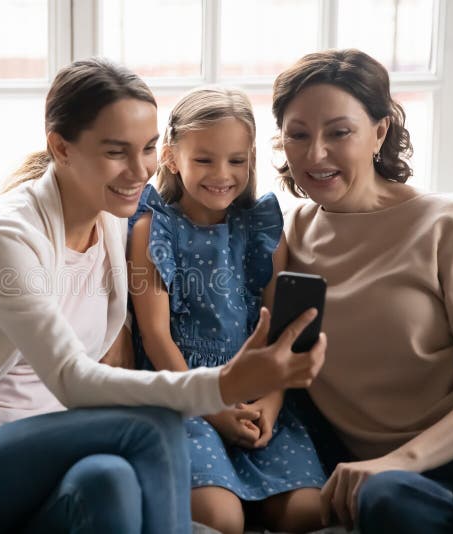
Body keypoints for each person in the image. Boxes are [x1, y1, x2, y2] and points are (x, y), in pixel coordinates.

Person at [0, 58, 326, 534]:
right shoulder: (7, 235)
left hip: (44, 469)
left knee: (111, 481)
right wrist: (220, 387)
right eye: (117, 151)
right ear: (61, 148)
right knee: (149, 426)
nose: (139, 171)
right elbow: (71, 379)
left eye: (147, 148)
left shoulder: (115, 220)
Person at [273, 48, 453, 534]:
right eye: (298, 135)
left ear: (379, 131)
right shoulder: (287, 239)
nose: (315, 154)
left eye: (339, 132)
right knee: (383, 500)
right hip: (397, 479)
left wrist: (403, 457)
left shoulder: (452, 226)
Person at [127, 87, 325, 534]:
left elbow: (281, 333)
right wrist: (212, 408)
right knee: (222, 520)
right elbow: (156, 338)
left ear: (250, 159)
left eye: (236, 160)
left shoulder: (260, 226)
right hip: (185, 398)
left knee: (308, 513)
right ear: (172, 157)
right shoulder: (152, 228)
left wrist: (270, 407)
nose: (222, 174)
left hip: (258, 393)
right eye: (204, 160)